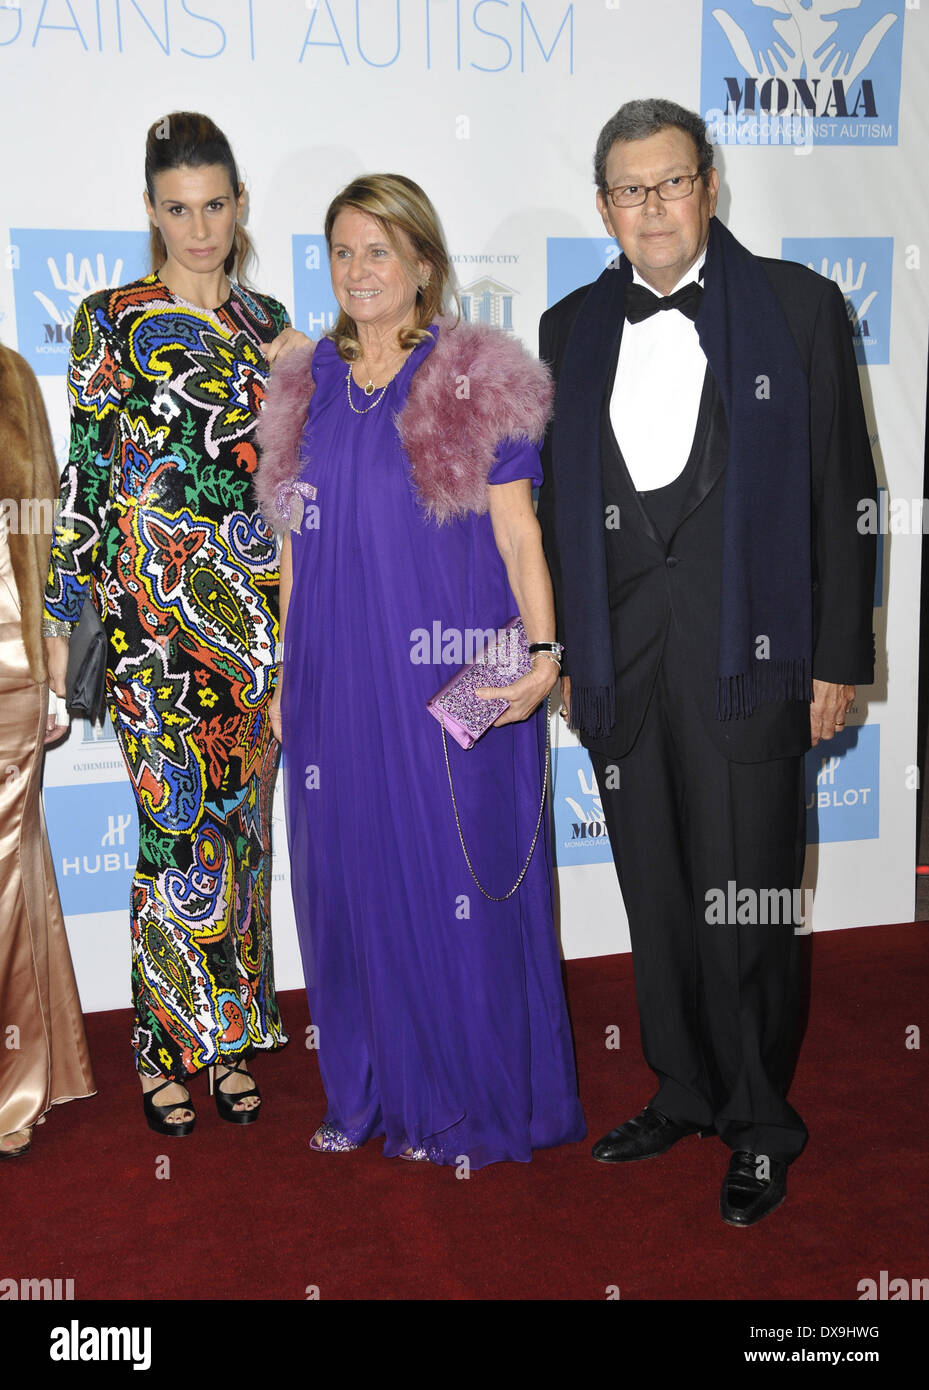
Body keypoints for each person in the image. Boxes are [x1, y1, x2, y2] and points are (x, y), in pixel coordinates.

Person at [537, 99, 876, 1224]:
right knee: (659, 895)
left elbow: (841, 488)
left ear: (708, 183)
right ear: (603, 206)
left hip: (754, 657)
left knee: (747, 903)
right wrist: (571, 651)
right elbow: (553, 513)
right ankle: (681, 1086)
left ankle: (758, 1118)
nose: (651, 207)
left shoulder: (796, 306)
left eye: (668, 182)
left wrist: (836, 655)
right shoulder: (567, 327)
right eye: (628, 189)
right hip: (623, 665)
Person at [255, 173, 585, 1167]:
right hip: (333, 668)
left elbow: (520, 533)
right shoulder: (304, 384)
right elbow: (293, 548)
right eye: (342, 251)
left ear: (423, 266)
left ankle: (462, 1100)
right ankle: (368, 1093)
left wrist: (542, 653)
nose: (358, 271)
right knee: (348, 881)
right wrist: (284, 672)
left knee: (453, 875)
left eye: (379, 252)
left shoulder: (473, 374)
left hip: (451, 664)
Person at [43, 112, 299, 1135]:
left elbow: (288, 486)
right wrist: (70, 614)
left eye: (216, 205)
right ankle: (163, 1046)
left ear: (239, 207)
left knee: (241, 838)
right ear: (152, 212)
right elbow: (88, 480)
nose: (200, 228)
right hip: (152, 630)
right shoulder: (108, 320)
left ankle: (229, 1038)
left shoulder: (271, 324)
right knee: (171, 836)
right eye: (178, 209)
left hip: (255, 630)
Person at [0, 345, 95, 1158]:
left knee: (8, 871)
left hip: (7, 670)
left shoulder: (8, 377)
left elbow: (45, 524)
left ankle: (14, 1083)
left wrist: (52, 665)